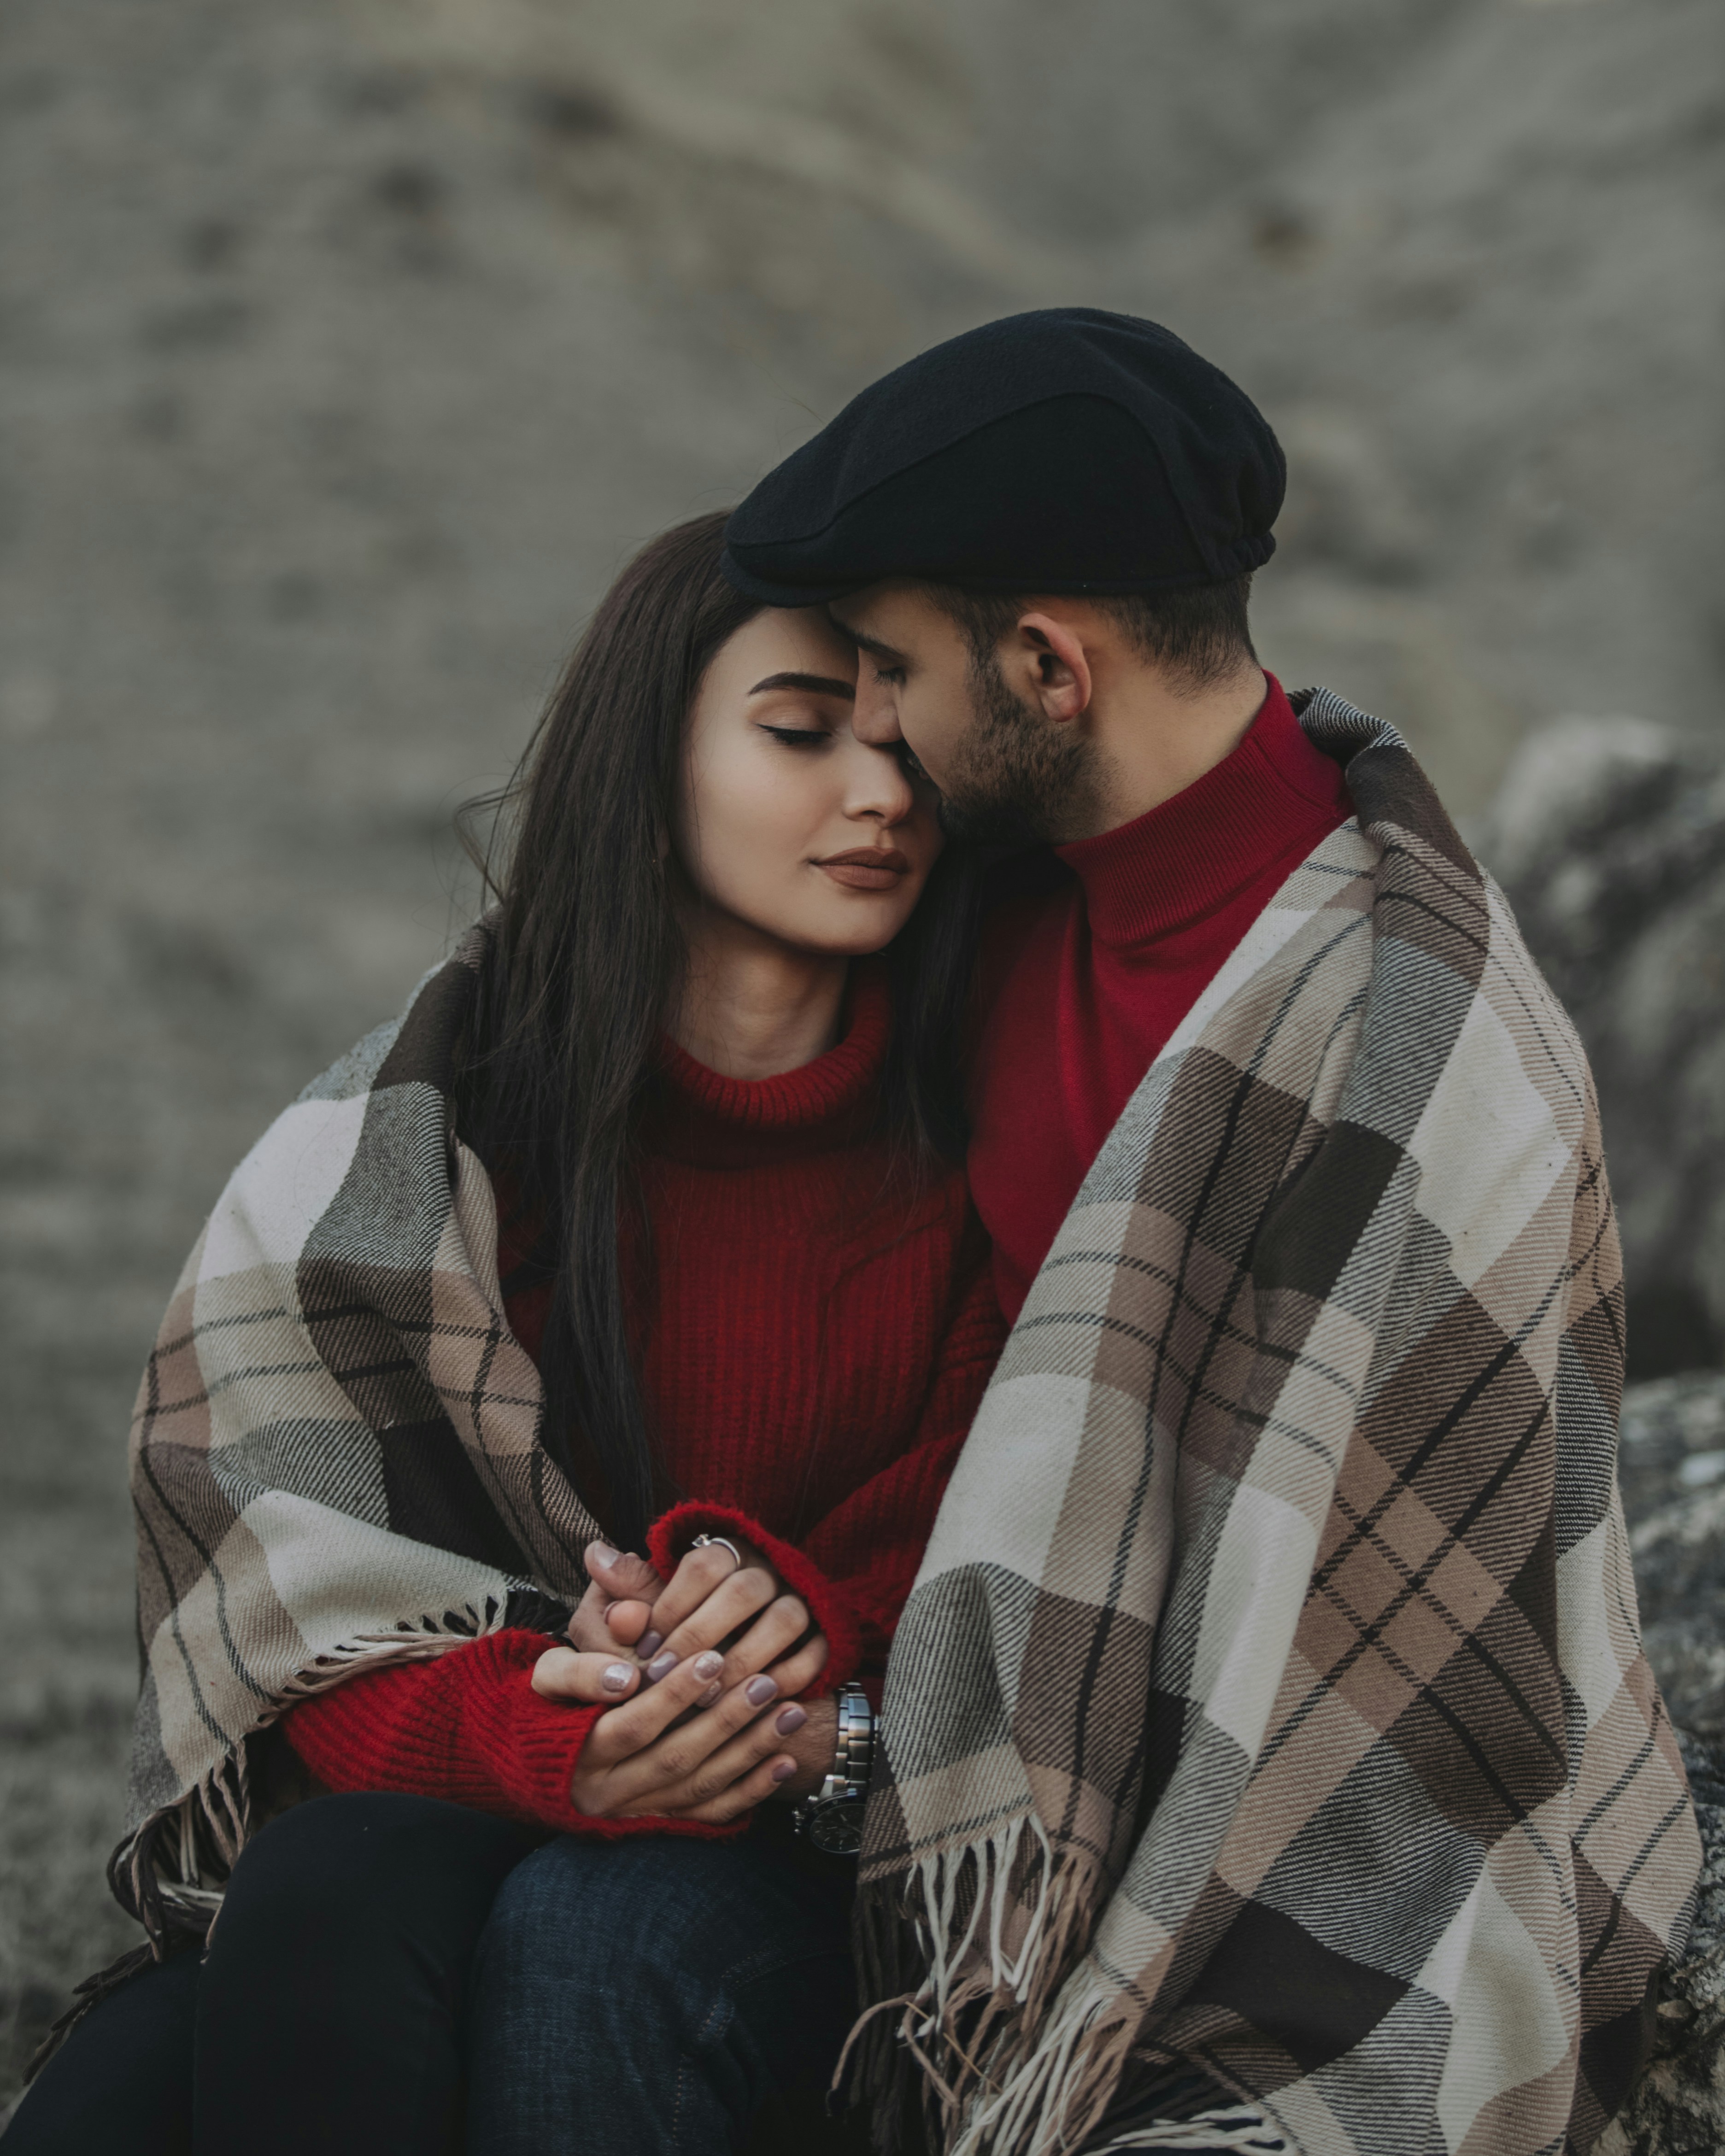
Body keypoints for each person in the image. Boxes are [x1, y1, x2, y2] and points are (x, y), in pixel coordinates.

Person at [494, 309, 1702, 2156]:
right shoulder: (984, 911)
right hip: (940, 1800)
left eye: (894, 668)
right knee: (578, 1943)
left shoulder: (1418, 1041)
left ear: (1049, 668)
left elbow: (1399, 1659)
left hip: (1308, 1866)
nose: (878, 733)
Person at [9, 511, 1003, 2154]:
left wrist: (765, 1637)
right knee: (147, 2065)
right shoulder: (436, 1129)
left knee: (585, 1943)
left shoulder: (998, 1143)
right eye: (800, 732)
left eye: (907, 746)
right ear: (648, 756)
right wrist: (567, 1732)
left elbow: (1000, 1555)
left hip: (853, 1858)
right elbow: (308, 1602)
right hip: (512, 1783)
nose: (881, 793)